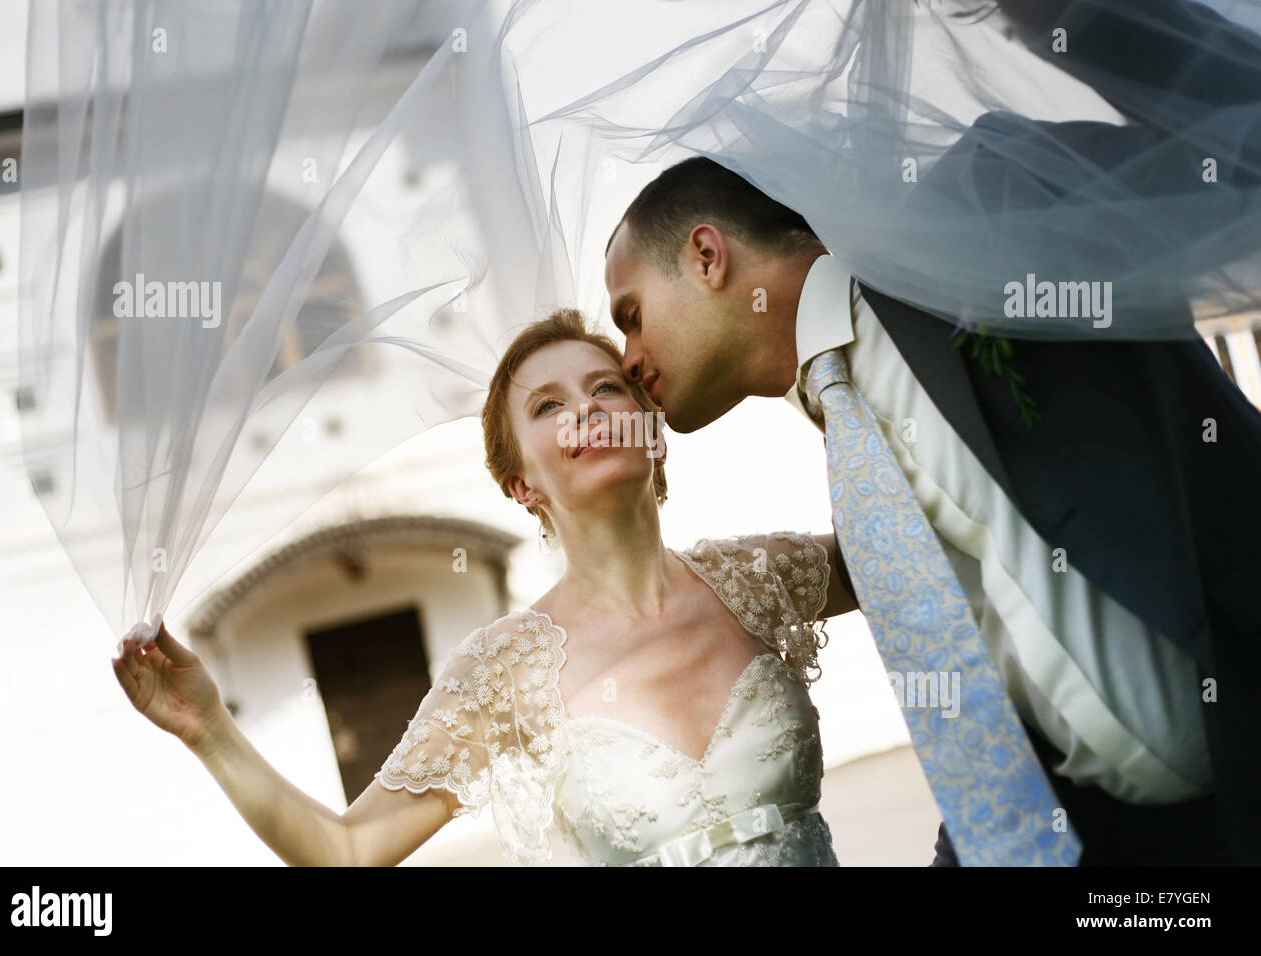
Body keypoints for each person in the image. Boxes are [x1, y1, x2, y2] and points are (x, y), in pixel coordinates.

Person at [601, 0, 1261, 866]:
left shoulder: (973, 207)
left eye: (631, 316)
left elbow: (1236, 148)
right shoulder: (842, 440)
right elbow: (990, 693)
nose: (628, 357)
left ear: (707, 256)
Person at [111, 306, 859, 866]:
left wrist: (822, 369)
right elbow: (346, 850)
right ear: (520, 483)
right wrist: (209, 730)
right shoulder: (502, 673)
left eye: (607, 388)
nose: (587, 409)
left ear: (652, 434)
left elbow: (922, 530)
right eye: (548, 406)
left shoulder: (761, 580)